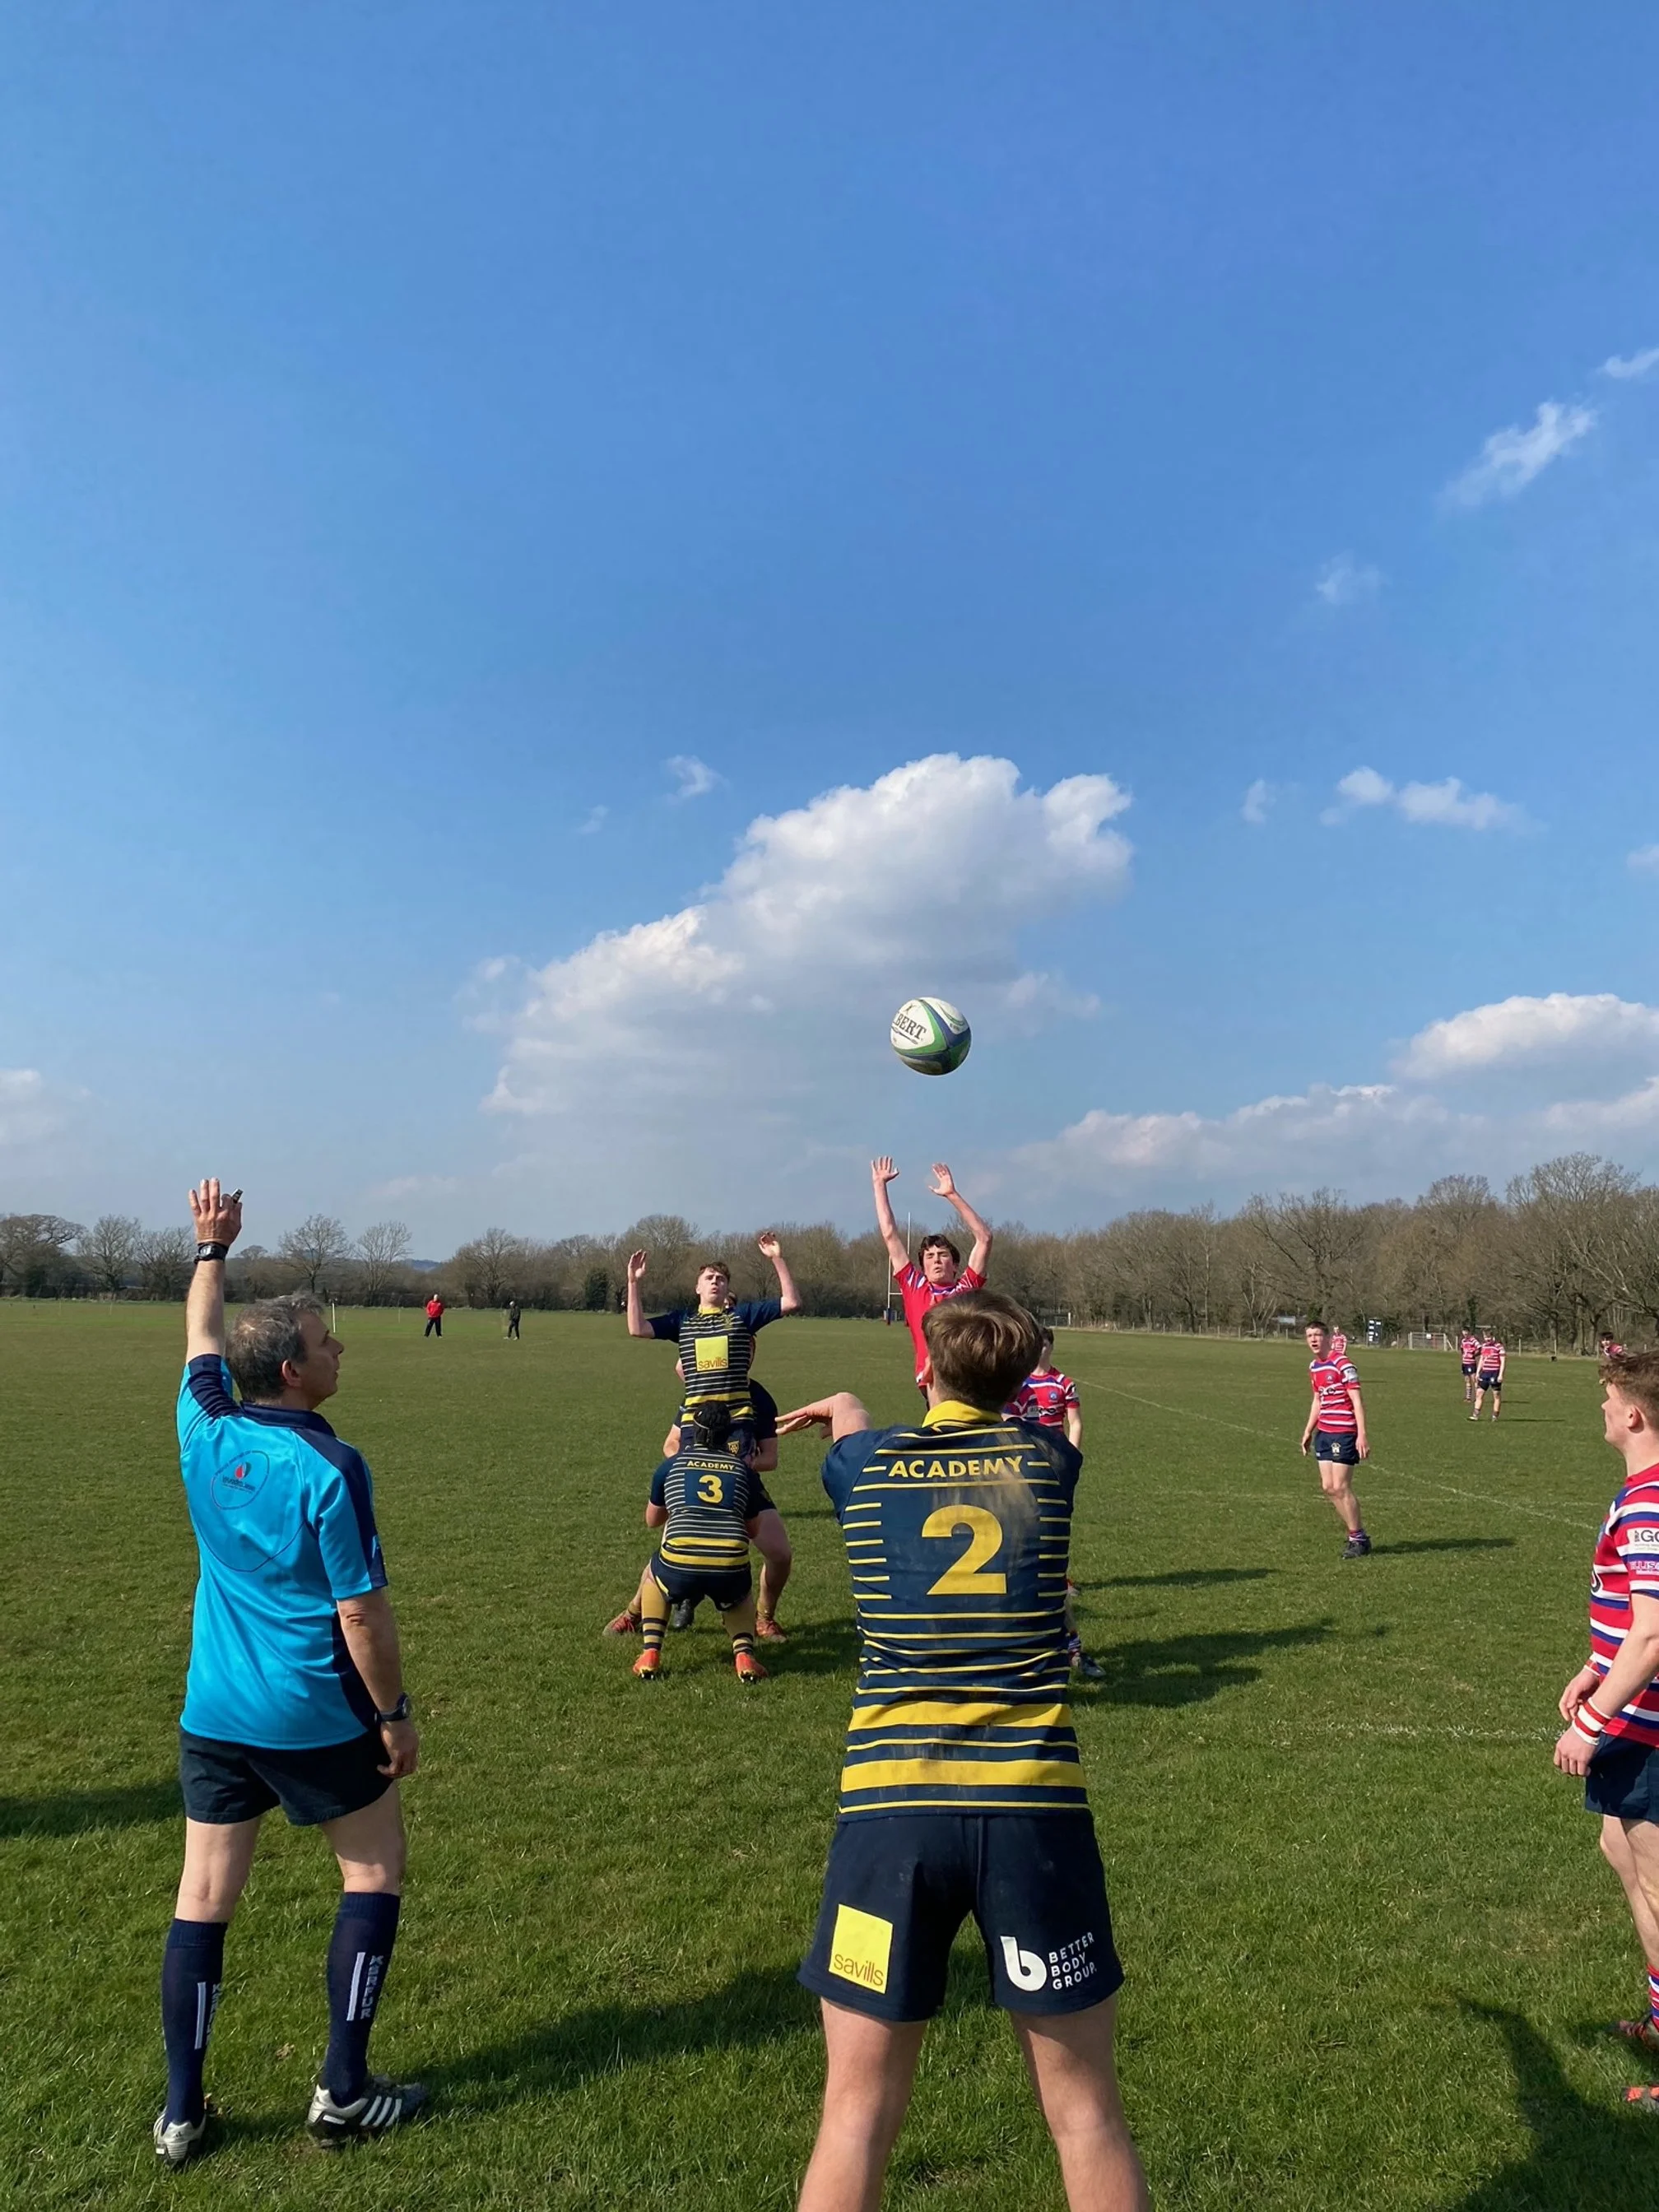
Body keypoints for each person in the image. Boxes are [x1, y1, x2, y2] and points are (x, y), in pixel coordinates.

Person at [778, 1292, 1148, 2212]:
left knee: (854, 2117)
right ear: (1021, 1382)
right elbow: (1021, 1431)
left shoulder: (864, 1466)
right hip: (1034, 1813)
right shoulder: (1049, 1464)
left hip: (891, 1817)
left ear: (926, 1370)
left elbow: (852, 1438)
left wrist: (846, 1406)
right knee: (1087, 2117)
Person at [154, 1181, 424, 2169]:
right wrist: (394, 1714)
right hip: (313, 1711)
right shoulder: (332, 1466)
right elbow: (362, 1615)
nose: (339, 1349)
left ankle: (181, 2113)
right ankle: (343, 2093)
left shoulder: (205, 1427)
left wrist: (209, 1248)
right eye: (323, 1342)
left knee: (203, 1897)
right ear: (290, 1370)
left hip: (214, 1710)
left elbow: (199, 1336)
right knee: (374, 1869)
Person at [1552, 1350, 1659, 2074]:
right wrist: (1596, 1666)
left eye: (1610, 1398)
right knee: (1618, 1850)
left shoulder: (1650, 1500)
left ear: (1635, 1416)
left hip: (1647, 1729)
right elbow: (1633, 1620)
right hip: (1631, 1712)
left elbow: (1653, 1634)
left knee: (1655, 1880)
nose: (1602, 1407)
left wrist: (1588, 1726)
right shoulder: (1641, 1491)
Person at [604, 1377, 797, 1639]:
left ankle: (763, 1618)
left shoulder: (757, 1396)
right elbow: (671, 1443)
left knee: (781, 1555)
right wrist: (690, 1466)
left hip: (741, 1485)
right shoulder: (698, 1390)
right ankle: (633, 1613)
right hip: (691, 1485)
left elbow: (770, 1458)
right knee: (672, 1550)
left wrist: (737, 1469)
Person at [630, 1404, 772, 1685]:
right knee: (740, 1592)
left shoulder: (671, 1466)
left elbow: (652, 1521)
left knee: (654, 1576)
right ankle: (744, 1655)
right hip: (728, 1567)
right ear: (727, 1435)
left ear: (694, 1431)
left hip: (678, 1565)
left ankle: (650, 1653)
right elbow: (754, 1529)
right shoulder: (743, 1471)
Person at [1005, 1332, 1101, 1679]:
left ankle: (1071, 1648)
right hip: (1015, 1478)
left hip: (1047, 1471)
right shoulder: (1016, 1385)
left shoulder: (1058, 1385)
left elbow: (1072, 1423)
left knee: (1047, 1559)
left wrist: (1067, 1459)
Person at [871, 1157, 992, 1393]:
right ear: (923, 1266)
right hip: (932, 1380)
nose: (936, 1259)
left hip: (967, 1378)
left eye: (943, 1255)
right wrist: (879, 1185)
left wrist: (952, 1195)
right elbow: (889, 1234)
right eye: (930, 1256)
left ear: (955, 1265)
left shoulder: (966, 1289)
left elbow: (984, 1238)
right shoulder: (914, 1284)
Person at [1300, 1322, 1372, 1559]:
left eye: (1317, 1335)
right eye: (1309, 1336)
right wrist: (1308, 1430)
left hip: (1344, 1432)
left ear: (1328, 1337)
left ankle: (1358, 1538)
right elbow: (1317, 1400)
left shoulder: (1343, 1364)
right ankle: (1357, 1535)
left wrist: (1362, 1434)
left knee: (1341, 1486)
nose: (1313, 1339)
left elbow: (1357, 1401)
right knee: (1328, 1487)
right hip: (1324, 1432)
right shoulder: (1314, 1367)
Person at [1472, 1328, 1505, 1420]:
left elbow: (1503, 1362)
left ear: (1493, 1337)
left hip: (1495, 1373)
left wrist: (1501, 1374)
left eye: (1489, 1337)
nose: (1487, 1339)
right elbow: (1482, 1360)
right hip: (1485, 1373)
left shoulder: (1499, 1347)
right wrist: (1478, 1372)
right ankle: (1475, 1415)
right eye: (1486, 1337)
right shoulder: (1484, 1346)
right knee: (1479, 1393)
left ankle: (1495, 1415)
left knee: (1496, 1394)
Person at [1459, 1329, 1480, 1405]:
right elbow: (1462, 1349)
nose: (1465, 1333)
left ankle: (1478, 1397)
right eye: (1464, 1331)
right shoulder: (1463, 1341)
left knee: (1474, 1380)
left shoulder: (1473, 1340)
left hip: (1471, 1363)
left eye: (1466, 1331)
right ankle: (1468, 1398)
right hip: (1465, 1363)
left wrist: (1474, 1355)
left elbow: (1480, 1349)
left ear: (1469, 1332)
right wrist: (1464, 1355)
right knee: (1467, 1380)